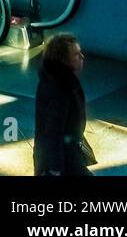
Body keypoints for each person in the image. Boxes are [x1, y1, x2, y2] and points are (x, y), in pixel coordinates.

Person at [34, 33, 95, 177]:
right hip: (62, 157)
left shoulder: (56, 79)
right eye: (76, 54)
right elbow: (53, 131)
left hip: (62, 153)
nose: (82, 57)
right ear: (63, 60)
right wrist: (55, 168)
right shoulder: (60, 89)